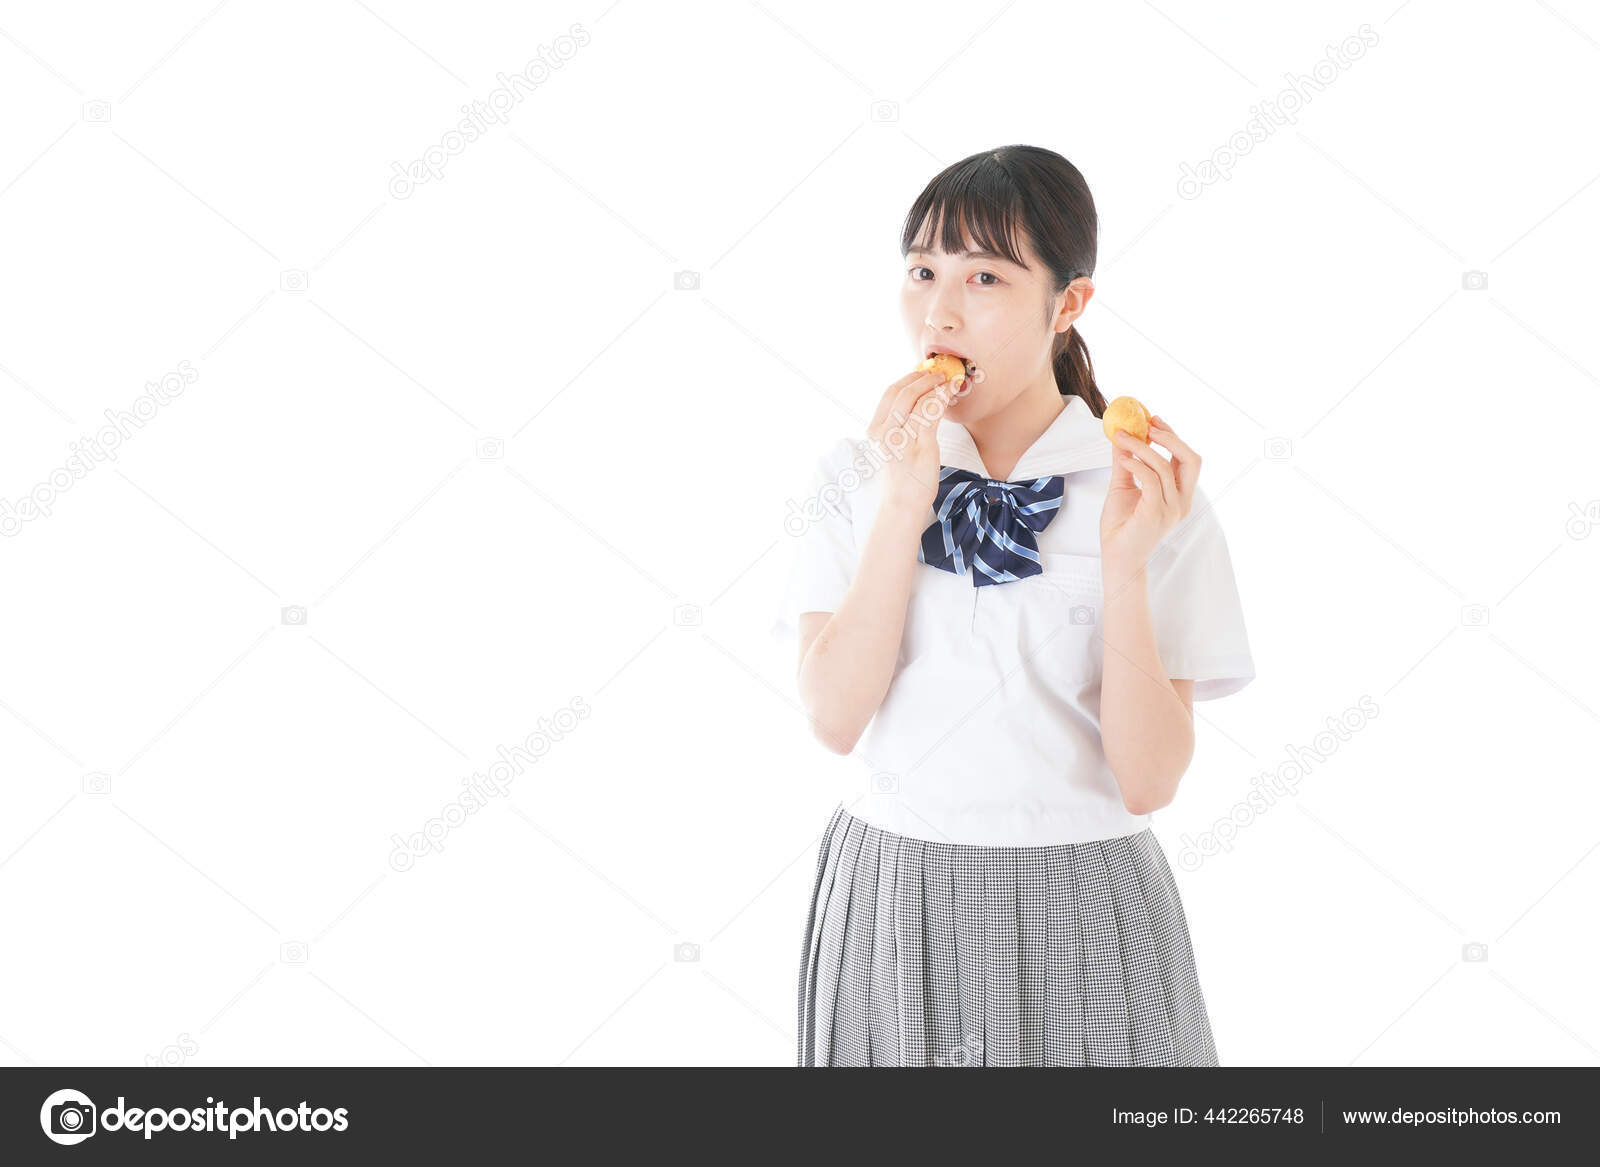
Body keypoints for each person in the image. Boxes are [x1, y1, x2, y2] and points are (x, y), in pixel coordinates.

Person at [771, 145, 1255, 1067]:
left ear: (1068, 304)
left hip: (1091, 898)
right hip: (892, 893)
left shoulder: (1146, 496)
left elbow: (1149, 781)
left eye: (985, 275)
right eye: (922, 272)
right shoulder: (854, 479)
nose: (938, 311)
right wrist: (904, 499)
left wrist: (1123, 565)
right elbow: (834, 718)